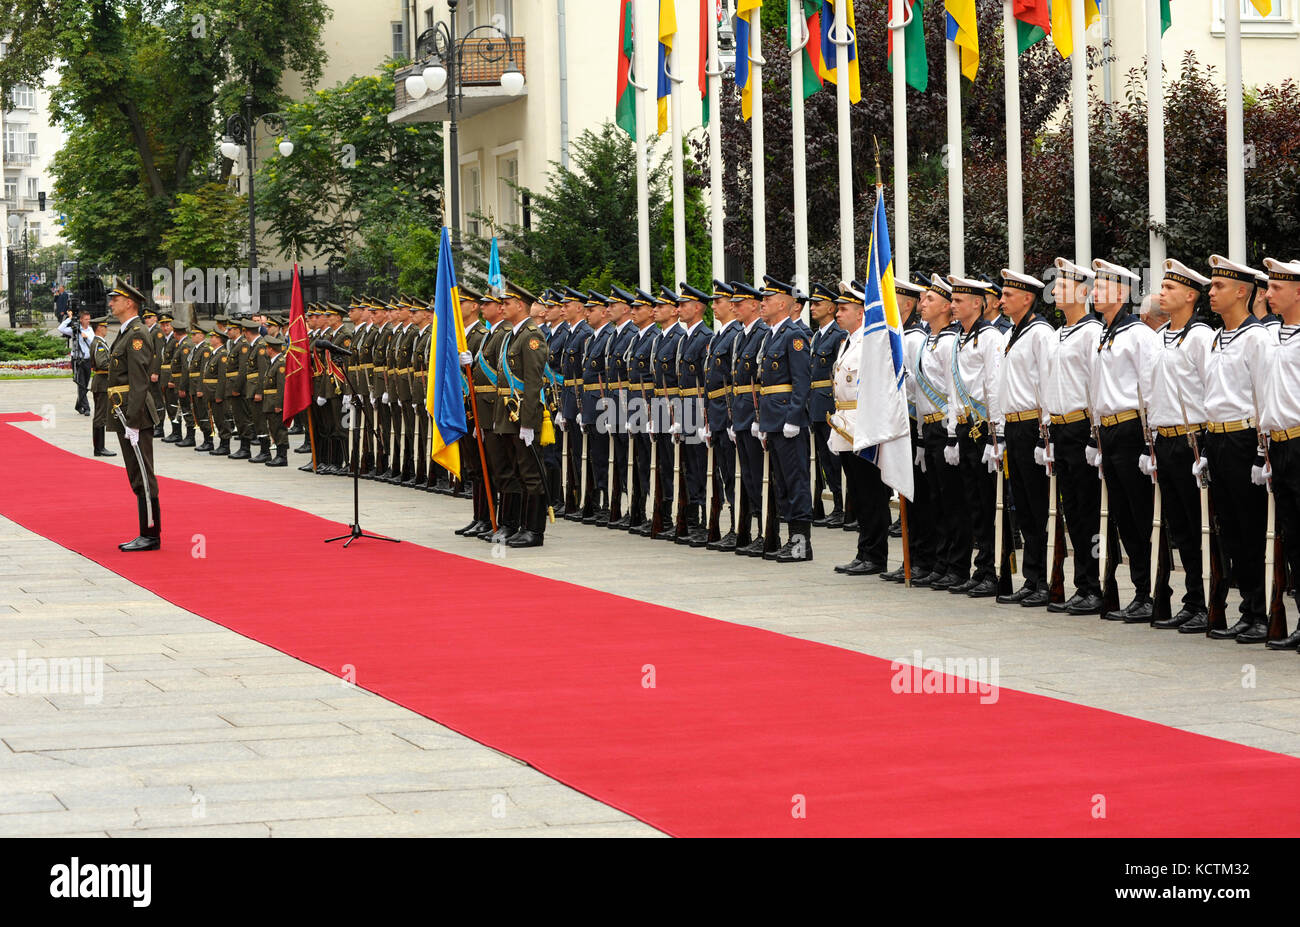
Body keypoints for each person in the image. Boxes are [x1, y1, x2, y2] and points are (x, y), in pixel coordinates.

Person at [1202, 255, 1275, 643]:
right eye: (1212, 286)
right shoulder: (1217, 337)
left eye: (1219, 287)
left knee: (1251, 527)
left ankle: (1261, 612)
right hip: (1218, 438)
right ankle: (1247, 606)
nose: (1211, 293)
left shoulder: (1257, 338)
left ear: (1242, 292)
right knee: (1229, 528)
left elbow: (1265, 395)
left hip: (1245, 439)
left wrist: (1262, 455)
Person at [1088, 259, 1158, 621]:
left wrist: (1150, 443)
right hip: (1110, 431)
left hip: (1132, 430)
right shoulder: (1105, 332)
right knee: (1122, 516)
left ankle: (1151, 593)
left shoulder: (1139, 335)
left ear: (1120, 292)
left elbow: (1149, 389)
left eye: (1100, 287)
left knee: (1141, 514)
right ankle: (1139, 591)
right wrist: (1095, 433)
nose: (1093, 292)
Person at [1146, 259, 1213, 631]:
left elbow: (1212, 389)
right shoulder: (1159, 337)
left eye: (1170, 289)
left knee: (1199, 523)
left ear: (1190, 295)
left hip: (1193, 440)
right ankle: (1191, 599)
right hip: (1165, 439)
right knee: (1180, 528)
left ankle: (1206, 601)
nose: (1162, 293)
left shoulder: (1201, 337)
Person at [1044, 258, 1104, 614]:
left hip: (1082, 426)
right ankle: (1082, 583)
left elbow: (1096, 385)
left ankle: (1093, 584)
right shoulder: (1058, 334)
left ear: (1083, 292)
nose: (1056, 291)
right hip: (1060, 427)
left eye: (1064, 286)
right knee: (1072, 512)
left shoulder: (1092, 332)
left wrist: (1094, 437)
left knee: (1089, 509)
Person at [994, 269, 1054, 607]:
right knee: (1025, 509)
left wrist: (1046, 433)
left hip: (1034, 426)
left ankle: (1043, 579)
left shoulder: (1040, 333)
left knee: (1038, 505)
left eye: (1008, 295)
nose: (1001, 301)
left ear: (1027, 298)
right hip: (1014, 427)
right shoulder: (1013, 334)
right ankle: (1031, 578)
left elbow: (1047, 382)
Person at [945, 276, 1002, 597]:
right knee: (972, 503)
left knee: (988, 500)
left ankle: (992, 569)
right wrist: (953, 432)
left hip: (985, 430)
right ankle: (980, 569)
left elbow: (994, 385)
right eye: (952, 300)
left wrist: (998, 434)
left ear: (977, 303)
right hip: (966, 427)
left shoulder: (990, 337)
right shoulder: (959, 339)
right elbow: (954, 389)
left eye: (959, 301)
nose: (953, 305)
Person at [828, 286, 890, 574]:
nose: (837, 313)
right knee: (858, 492)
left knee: (871, 493)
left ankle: (875, 555)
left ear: (861, 312)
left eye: (843, 309)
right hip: (846, 424)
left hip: (863, 424)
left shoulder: (871, 341)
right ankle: (864, 550)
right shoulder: (848, 341)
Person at [755, 276, 813, 562]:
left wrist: (793, 418)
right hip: (772, 419)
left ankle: (801, 545)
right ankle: (790, 540)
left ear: (781, 304)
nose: (761, 304)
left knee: (796, 481)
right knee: (782, 483)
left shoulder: (794, 335)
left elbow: (802, 382)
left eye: (766, 300)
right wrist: (763, 421)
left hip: (789, 422)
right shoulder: (771, 336)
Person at [913, 275, 964, 590]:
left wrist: (953, 434)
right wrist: (920, 435)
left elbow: (953, 392)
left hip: (947, 428)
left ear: (947, 307)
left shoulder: (949, 342)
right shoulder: (927, 341)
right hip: (928, 427)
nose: (923, 304)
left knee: (953, 501)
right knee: (936, 498)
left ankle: (956, 566)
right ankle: (940, 561)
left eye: (930, 299)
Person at [492, 281, 550, 547]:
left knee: (530, 473)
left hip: (522, 417)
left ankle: (534, 531)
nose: (502, 306)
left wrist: (528, 422)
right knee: (514, 470)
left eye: (506, 303)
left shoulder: (531, 336)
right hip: (507, 415)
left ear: (520, 306)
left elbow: (533, 382)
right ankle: (518, 525)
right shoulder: (510, 336)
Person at [1261, 257, 1300, 651]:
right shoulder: (1271, 335)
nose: (1268, 294)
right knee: (1292, 534)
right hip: (1278, 443)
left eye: (1276, 288)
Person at [105, 279, 162, 551]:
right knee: (135, 473)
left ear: (129, 303)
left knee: (142, 473)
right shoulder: (126, 331)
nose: (110, 303)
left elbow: (139, 381)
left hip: (133, 413)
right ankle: (146, 531)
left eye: (115, 299)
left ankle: (150, 534)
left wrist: (134, 421)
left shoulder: (137, 333)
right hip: (124, 411)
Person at [730, 281, 769, 555]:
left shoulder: (762, 334)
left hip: (754, 413)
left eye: (739, 303)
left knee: (760, 476)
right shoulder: (741, 336)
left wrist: (760, 417)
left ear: (753, 305)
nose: (734, 307)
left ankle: (766, 532)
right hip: (741, 413)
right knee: (749, 477)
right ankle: (757, 528)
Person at [703, 280, 741, 551]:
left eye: (718, 302)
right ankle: (733, 524)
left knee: (736, 473)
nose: (714, 306)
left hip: (728, 411)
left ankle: (740, 525)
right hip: (716, 412)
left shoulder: (735, 334)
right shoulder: (719, 336)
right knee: (725, 472)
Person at [807, 283, 847, 528]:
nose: (812, 308)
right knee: (823, 457)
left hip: (830, 403)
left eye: (817, 304)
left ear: (831, 308)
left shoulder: (837, 335)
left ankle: (843, 506)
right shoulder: (817, 336)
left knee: (835, 458)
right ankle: (836, 504)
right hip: (816, 404)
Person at [88, 315, 116, 457]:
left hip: (102, 383)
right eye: (105, 326)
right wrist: (116, 367)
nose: (106, 329)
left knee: (101, 415)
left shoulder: (100, 342)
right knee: (100, 416)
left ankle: (100, 447)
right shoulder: (99, 344)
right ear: (99, 328)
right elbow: (102, 364)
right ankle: (99, 448)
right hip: (102, 383)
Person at [58, 308, 94, 416]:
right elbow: (61, 328)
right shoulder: (75, 330)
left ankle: (78, 405)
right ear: (81, 320)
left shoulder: (90, 330)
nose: (88, 321)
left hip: (87, 360)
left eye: (89, 319)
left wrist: (86, 337)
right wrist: (69, 319)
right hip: (77, 360)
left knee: (85, 383)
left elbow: (93, 342)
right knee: (81, 384)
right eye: (86, 319)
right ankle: (87, 408)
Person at [261, 335, 290, 467]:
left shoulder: (280, 363)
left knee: (279, 429)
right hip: (270, 402)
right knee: (273, 428)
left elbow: (282, 386)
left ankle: (282, 456)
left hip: (275, 403)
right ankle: (278, 454)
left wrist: (279, 404)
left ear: (271, 349)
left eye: (267, 348)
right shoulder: (273, 362)